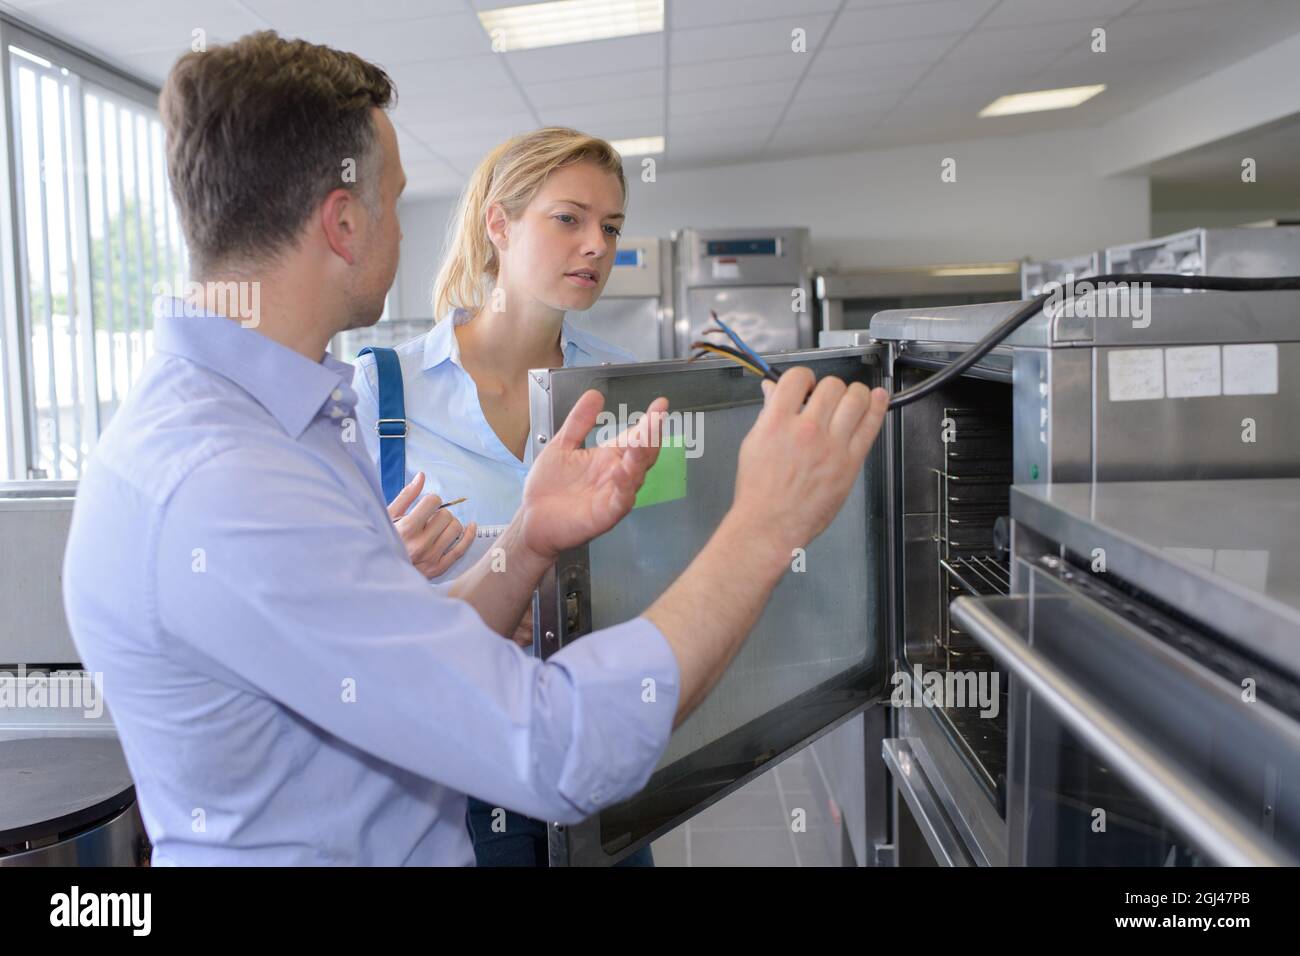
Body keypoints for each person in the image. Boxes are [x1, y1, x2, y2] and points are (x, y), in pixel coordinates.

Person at [60, 30, 890, 866]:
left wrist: (528, 539)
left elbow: (416, 655)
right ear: (344, 223)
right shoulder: (229, 482)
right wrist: (765, 526)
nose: (595, 244)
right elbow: (555, 747)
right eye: (394, 199)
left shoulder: (287, 423)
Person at [353, 127, 650, 866]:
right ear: (500, 223)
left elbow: (657, 554)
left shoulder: (630, 389)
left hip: (588, 748)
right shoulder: (384, 389)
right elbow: (334, 596)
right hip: (452, 770)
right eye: (569, 218)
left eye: (610, 227)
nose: (596, 245)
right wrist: (398, 564)